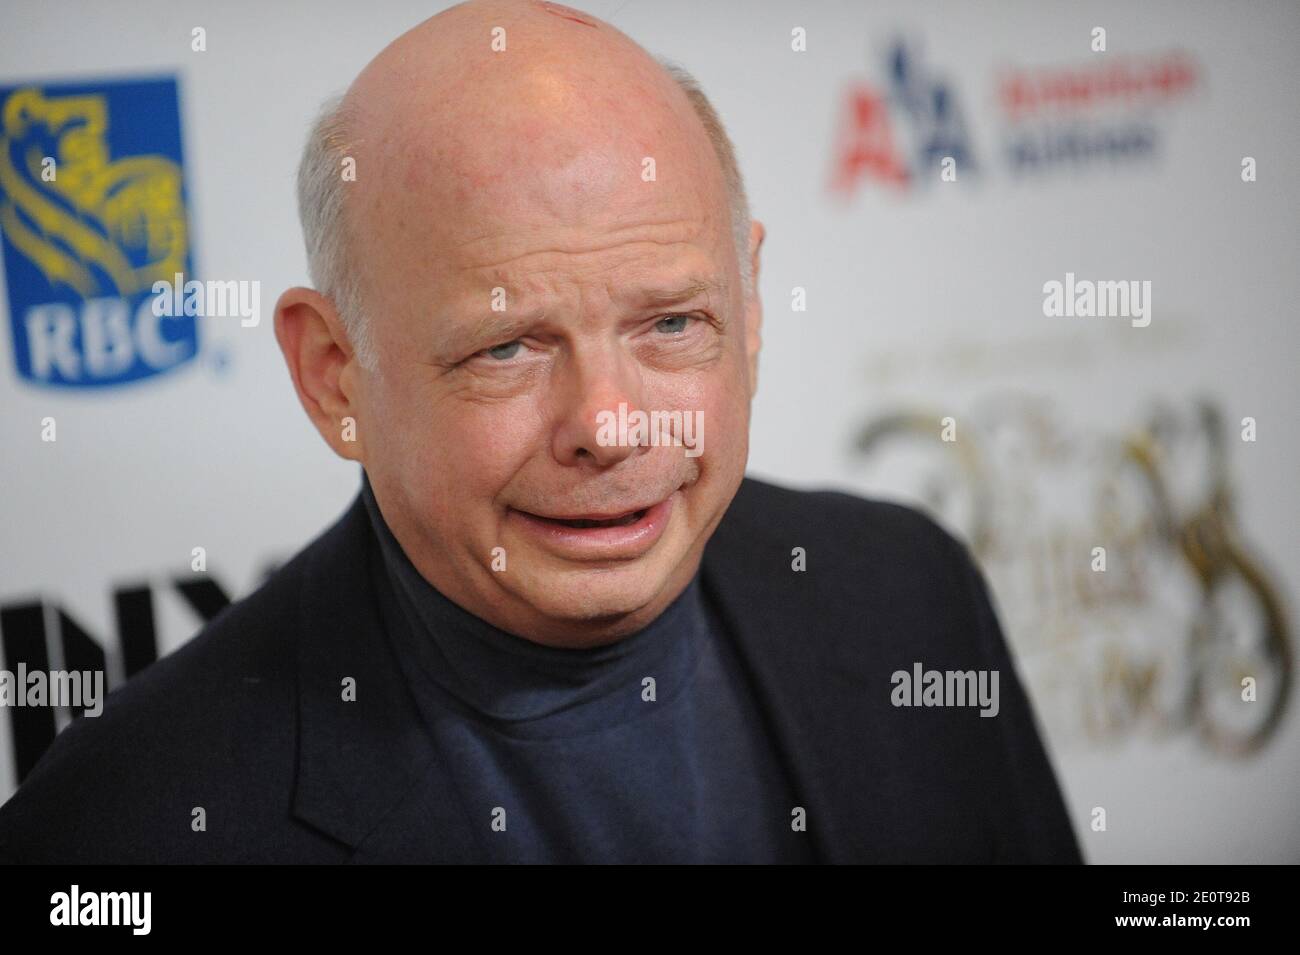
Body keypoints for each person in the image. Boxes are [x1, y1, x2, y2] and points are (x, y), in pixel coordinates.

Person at [0, 0, 1081, 863]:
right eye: (506, 347)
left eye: (670, 323)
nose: (609, 425)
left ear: (750, 310)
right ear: (334, 375)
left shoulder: (906, 596)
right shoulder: (124, 832)